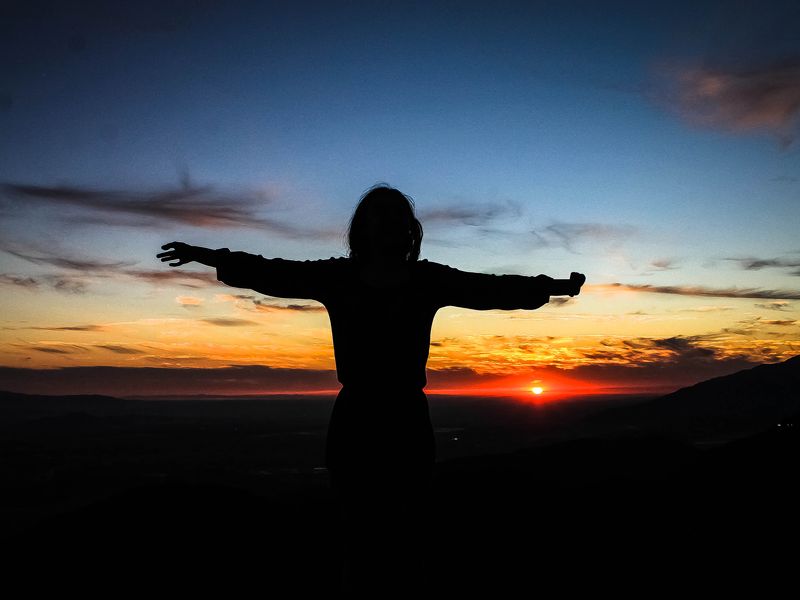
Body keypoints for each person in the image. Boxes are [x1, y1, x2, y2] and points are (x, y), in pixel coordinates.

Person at [157, 184, 585, 593]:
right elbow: (272, 272)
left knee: (407, 537)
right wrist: (206, 255)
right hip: (357, 422)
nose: (388, 227)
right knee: (359, 538)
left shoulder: (425, 279)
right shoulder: (339, 277)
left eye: (396, 219)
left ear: (409, 231)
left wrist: (550, 287)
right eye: (380, 219)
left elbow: (488, 288)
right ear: (364, 228)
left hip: (405, 422)